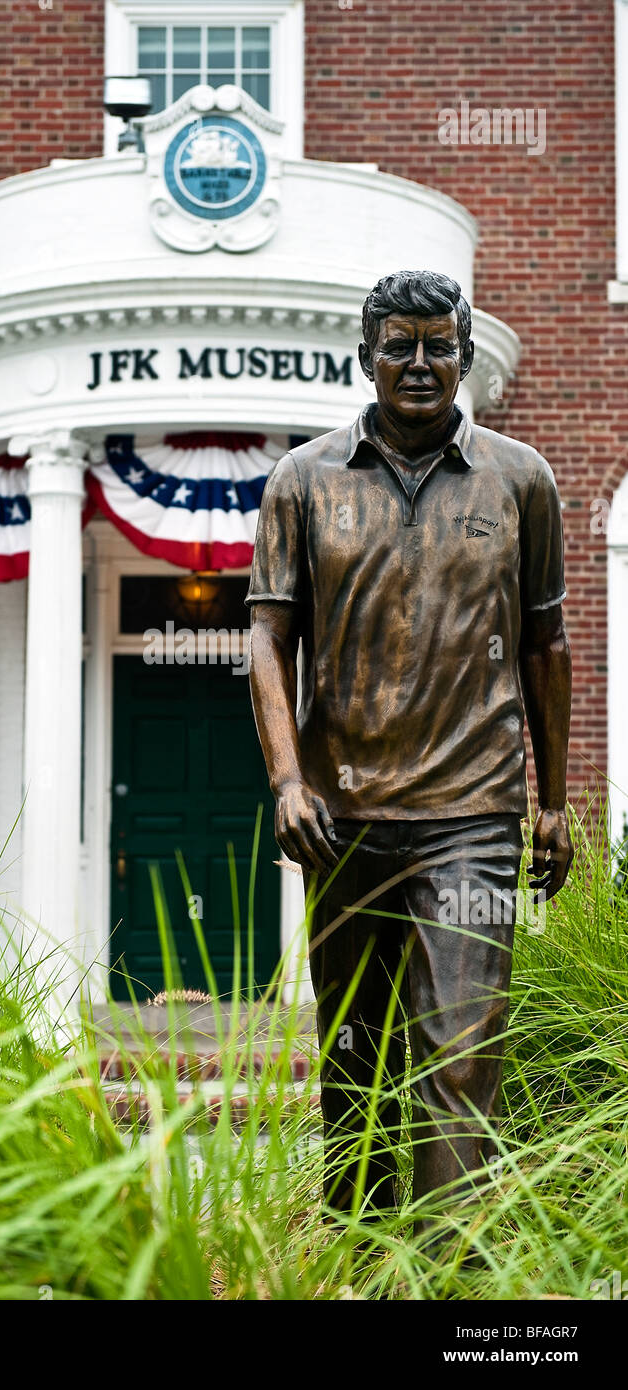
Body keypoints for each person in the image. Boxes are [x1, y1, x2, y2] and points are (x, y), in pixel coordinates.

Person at [246, 269, 572, 1227]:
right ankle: (361, 1259)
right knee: (356, 1064)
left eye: (439, 345)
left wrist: (551, 802)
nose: (420, 363)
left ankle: (447, 1284)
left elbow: (547, 646)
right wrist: (287, 780)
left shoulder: (523, 480)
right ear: (366, 355)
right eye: (400, 344)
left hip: (473, 815)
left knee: (462, 1054)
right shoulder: (303, 481)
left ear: (466, 356)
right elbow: (267, 639)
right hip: (344, 821)